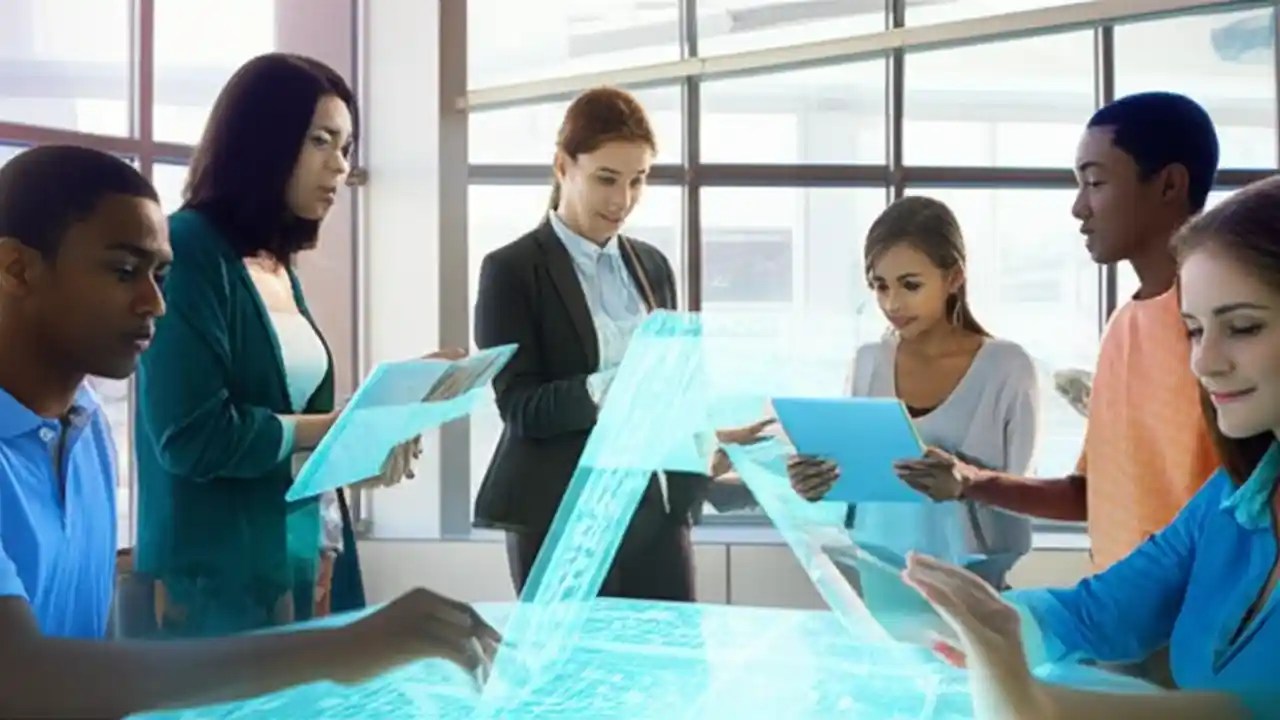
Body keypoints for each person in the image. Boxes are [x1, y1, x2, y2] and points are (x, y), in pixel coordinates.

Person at [0, 144, 499, 718]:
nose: (155, 303)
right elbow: (21, 675)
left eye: (160, 275)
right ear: (17, 269)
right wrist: (339, 648)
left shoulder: (84, 432)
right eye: (124, 271)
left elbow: (82, 661)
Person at [900, 176, 1280, 720]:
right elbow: (1103, 610)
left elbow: (1247, 711)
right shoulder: (1236, 497)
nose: (1204, 362)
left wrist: (1036, 702)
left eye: (1243, 328)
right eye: (1194, 331)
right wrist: (991, 620)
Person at [134, 53, 455, 637]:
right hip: (214, 585)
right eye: (321, 141)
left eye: (347, 147)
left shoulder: (275, 267)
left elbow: (289, 428)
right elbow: (191, 437)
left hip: (303, 559)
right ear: (263, 143)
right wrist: (343, 424)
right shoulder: (189, 249)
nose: (341, 166)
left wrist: (372, 432)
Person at [881, 92, 1222, 575]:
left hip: (1207, 625)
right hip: (1117, 618)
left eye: (1096, 182)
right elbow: (1087, 494)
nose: (1079, 208)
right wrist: (968, 481)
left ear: (1169, 184)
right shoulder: (1124, 326)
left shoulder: (1222, 327)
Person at [473, 87, 714, 601]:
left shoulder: (652, 266)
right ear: (563, 166)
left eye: (638, 181)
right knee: (570, 675)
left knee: (669, 668)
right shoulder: (512, 271)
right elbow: (521, 408)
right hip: (562, 510)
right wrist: (614, 387)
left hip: (656, 504)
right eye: (606, 178)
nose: (621, 200)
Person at [788, 196, 1038, 590]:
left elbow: (1023, 493)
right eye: (880, 286)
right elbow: (856, 490)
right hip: (878, 583)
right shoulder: (867, 362)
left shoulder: (1006, 367)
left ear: (954, 277)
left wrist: (963, 484)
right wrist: (816, 484)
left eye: (910, 285)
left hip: (976, 593)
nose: (892, 303)